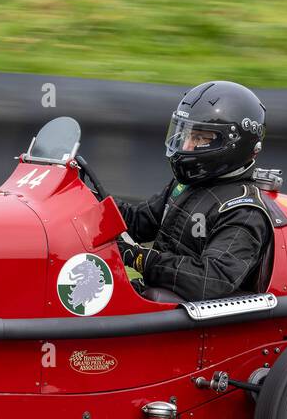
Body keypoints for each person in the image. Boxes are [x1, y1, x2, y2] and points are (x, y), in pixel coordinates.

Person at [117, 80, 275, 302]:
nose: (187, 146)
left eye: (200, 138)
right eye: (186, 134)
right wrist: (91, 201)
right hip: (159, 299)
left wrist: (141, 258)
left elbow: (211, 280)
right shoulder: (186, 185)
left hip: (193, 321)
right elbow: (138, 222)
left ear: (234, 144)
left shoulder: (243, 211)